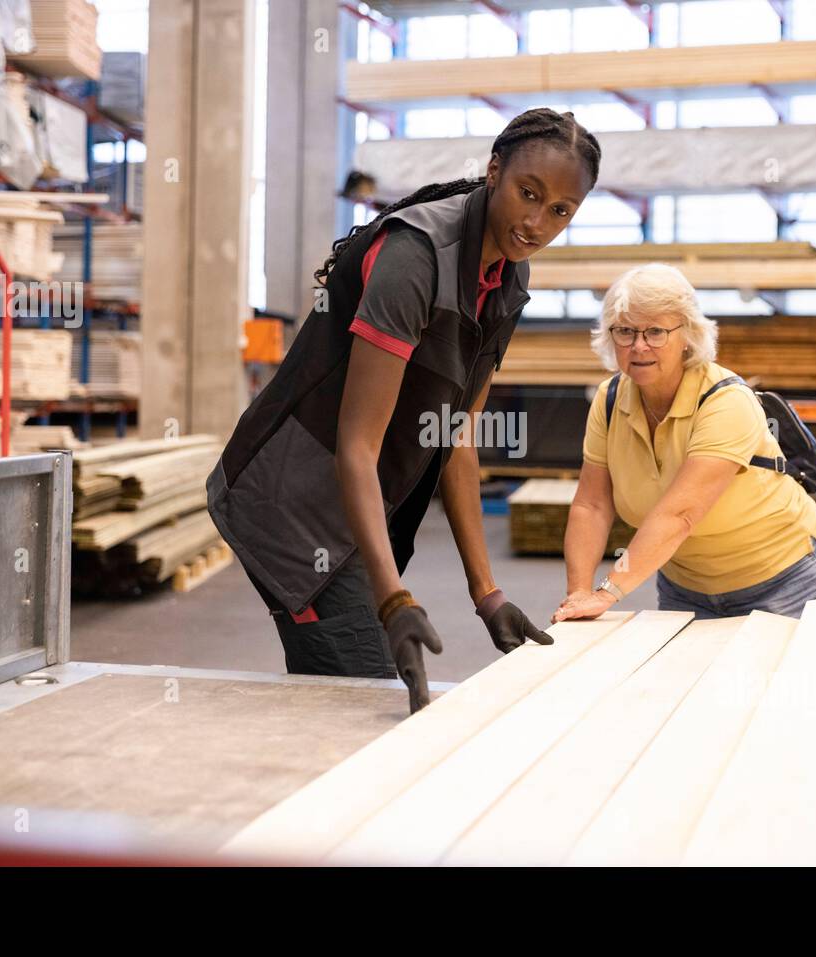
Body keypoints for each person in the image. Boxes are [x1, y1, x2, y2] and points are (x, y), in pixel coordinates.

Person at [209, 108, 602, 712]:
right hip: (291, 503)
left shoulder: (508, 282)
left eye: (560, 210)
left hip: (356, 507)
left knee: (366, 696)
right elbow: (357, 444)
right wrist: (394, 599)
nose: (536, 220)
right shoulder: (415, 256)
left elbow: (456, 438)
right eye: (529, 193)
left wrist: (487, 594)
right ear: (494, 171)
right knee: (360, 699)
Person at [551, 262, 816, 625]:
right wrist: (578, 594)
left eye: (655, 331)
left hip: (780, 577)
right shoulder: (609, 400)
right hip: (684, 584)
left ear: (687, 334)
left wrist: (606, 593)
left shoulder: (724, 399)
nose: (639, 346)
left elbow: (680, 514)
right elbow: (591, 505)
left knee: (769, 680)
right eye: (625, 331)